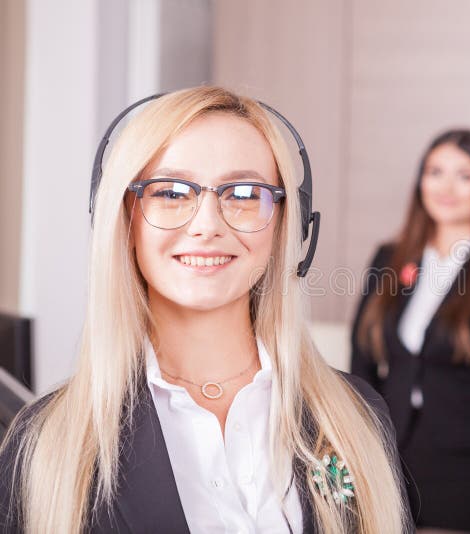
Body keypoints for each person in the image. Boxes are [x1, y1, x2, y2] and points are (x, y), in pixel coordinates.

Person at [0, 87, 410, 533]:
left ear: (287, 225)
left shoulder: (357, 415)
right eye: (172, 193)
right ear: (123, 220)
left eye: (244, 193)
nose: (207, 225)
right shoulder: (41, 446)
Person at [351, 129, 470, 533]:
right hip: (391, 456)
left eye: (465, 175)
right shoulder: (390, 258)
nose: (446, 187)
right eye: (435, 172)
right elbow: (361, 364)